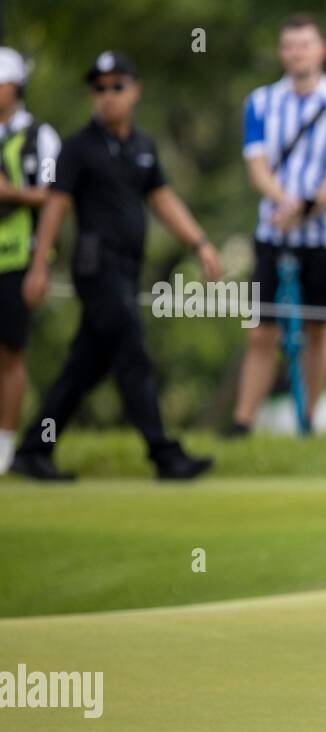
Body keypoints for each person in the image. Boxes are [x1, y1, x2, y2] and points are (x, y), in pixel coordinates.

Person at [10, 51, 221, 482]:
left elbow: (162, 198)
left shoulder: (142, 146)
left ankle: (33, 449)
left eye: (116, 87)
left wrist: (198, 242)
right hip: (96, 268)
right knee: (133, 356)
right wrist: (38, 266)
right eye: (100, 88)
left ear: (135, 91)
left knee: (83, 367)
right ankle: (163, 453)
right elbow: (55, 206)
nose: (107, 96)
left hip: (128, 269)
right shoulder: (78, 147)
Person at [226, 13, 326, 436]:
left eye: (304, 45)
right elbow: (257, 164)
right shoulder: (261, 102)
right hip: (272, 229)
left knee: (318, 328)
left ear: (321, 50)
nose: (296, 53)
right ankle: (243, 421)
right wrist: (283, 202)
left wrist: (307, 207)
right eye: (288, 46)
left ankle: (306, 421)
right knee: (261, 328)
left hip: (324, 233)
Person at [0, 48, 60, 475]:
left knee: (10, 351)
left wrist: (11, 195)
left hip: (17, 258)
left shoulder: (41, 137)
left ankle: (3, 443)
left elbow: (54, 194)